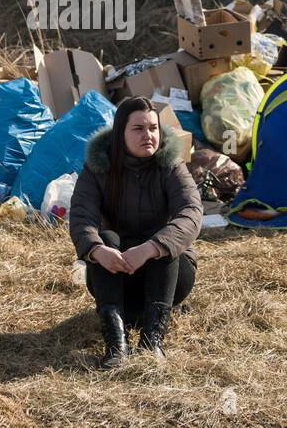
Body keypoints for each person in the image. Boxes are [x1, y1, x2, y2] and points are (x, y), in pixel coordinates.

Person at [69, 96, 203, 368]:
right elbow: (82, 215)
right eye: (138, 129)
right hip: (116, 277)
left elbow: (191, 212)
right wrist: (96, 250)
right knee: (106, 238)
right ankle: (116, 342)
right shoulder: (97, 167)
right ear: (121, 133)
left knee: (167, 238)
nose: (148, 135)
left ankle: (152, 340)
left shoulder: (171, 165)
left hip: (168, 278)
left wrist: (151, 248)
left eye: (153, 128)